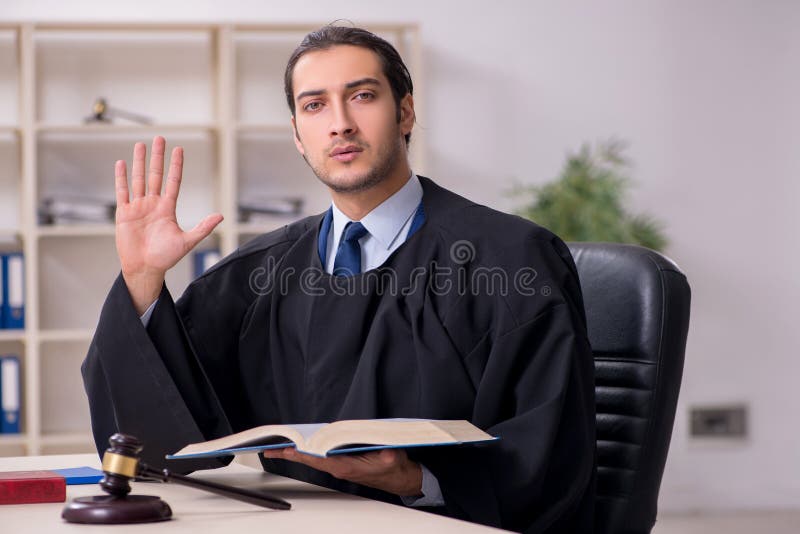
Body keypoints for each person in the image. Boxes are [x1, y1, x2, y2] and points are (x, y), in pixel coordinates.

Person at [82, 25, 596, 533]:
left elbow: (552, 455)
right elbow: (162, 435)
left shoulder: (512, 263)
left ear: (406, 111)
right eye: (315, 105)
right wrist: (142, 279)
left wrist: (415, 479)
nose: (340, 124)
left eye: (363, 96)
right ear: (297, 135)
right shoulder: (260, 273)